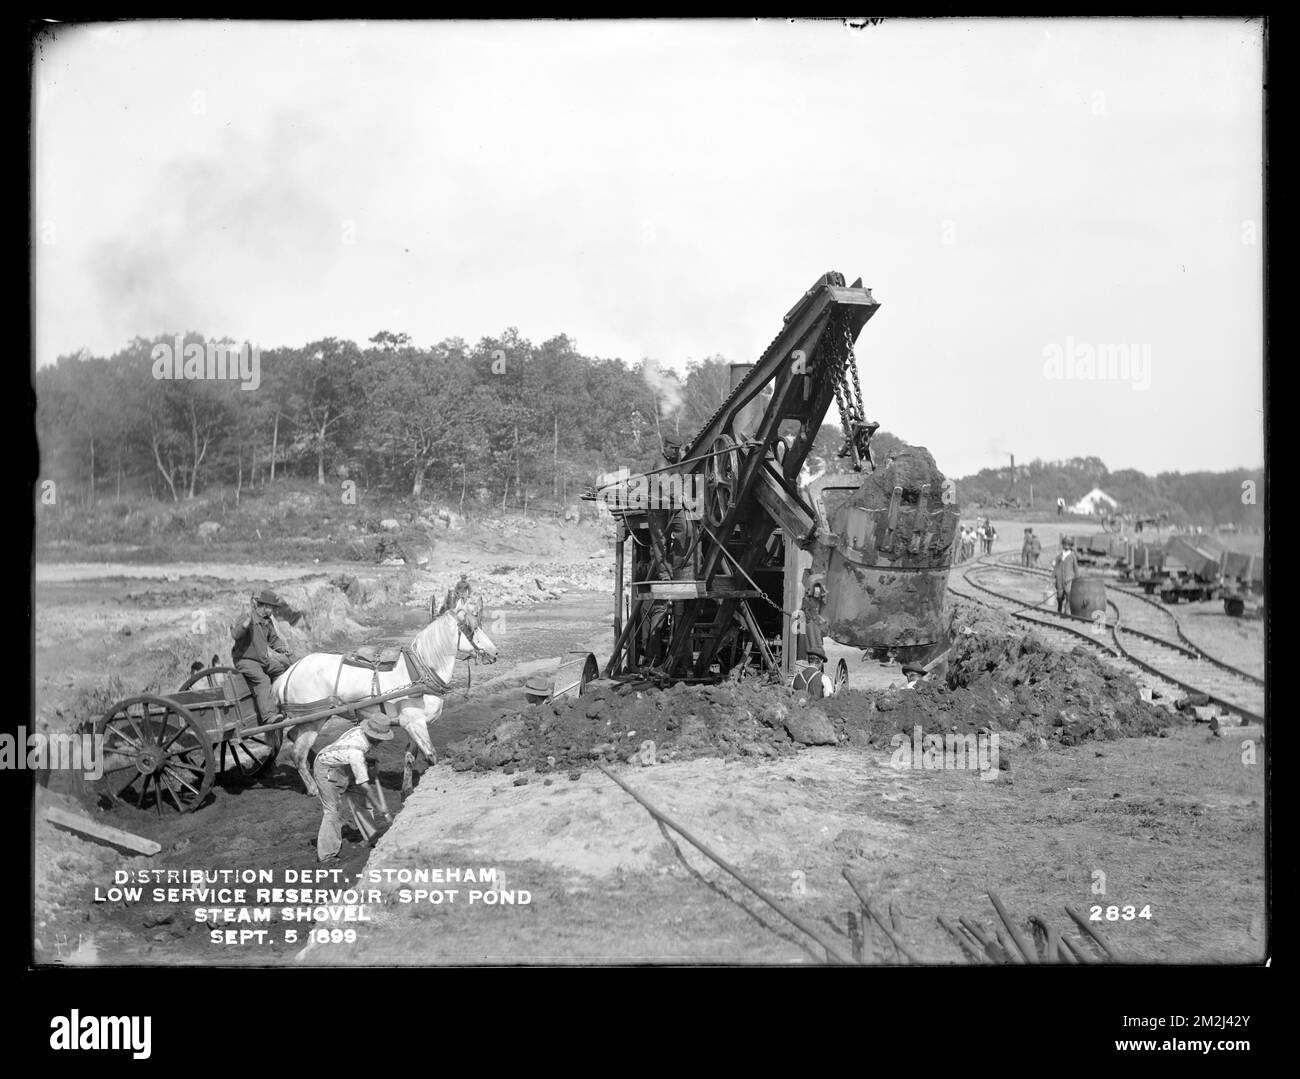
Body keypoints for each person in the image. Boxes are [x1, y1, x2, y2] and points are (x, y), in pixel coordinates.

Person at [312, 714, 395, 863]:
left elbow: (348, 751)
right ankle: (326, 855)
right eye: (379, 739)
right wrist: (380, 807)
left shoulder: (359, 732)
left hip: (344, 764)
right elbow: (365, 785)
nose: (381, 741)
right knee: (333, 811)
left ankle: (373, 837)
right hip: (326, 768)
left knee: (360, 800)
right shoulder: (356, 752)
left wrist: (367, 760)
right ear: (373, 736)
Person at [231, 588, 295, 722]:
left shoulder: (267, 621)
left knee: (282, 670)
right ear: (264, 606)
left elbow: (273, 640)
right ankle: (269, 716)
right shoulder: (247, 617)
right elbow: (236, 634)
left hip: (262, 660)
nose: (273, 610)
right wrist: (245, 625)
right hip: (245, 661)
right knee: (263, 680)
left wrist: (283, 649)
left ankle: (280, 705)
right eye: (271, 607)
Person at [1052, 536, 1078, 614]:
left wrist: (1076, 578)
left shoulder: (1073, 556)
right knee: (1059, 595)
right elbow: (1055, 567)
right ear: (1063, 545)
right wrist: (1053, 577)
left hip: (1069, 579)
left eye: (1068, 544)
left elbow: (1076, 568)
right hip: (1059, 579)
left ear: (1070, 546)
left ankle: (1067, 610)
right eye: (1065, 544)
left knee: (1068, 594)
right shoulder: (1059, 556)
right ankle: (1059, 606)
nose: (1066, 546)